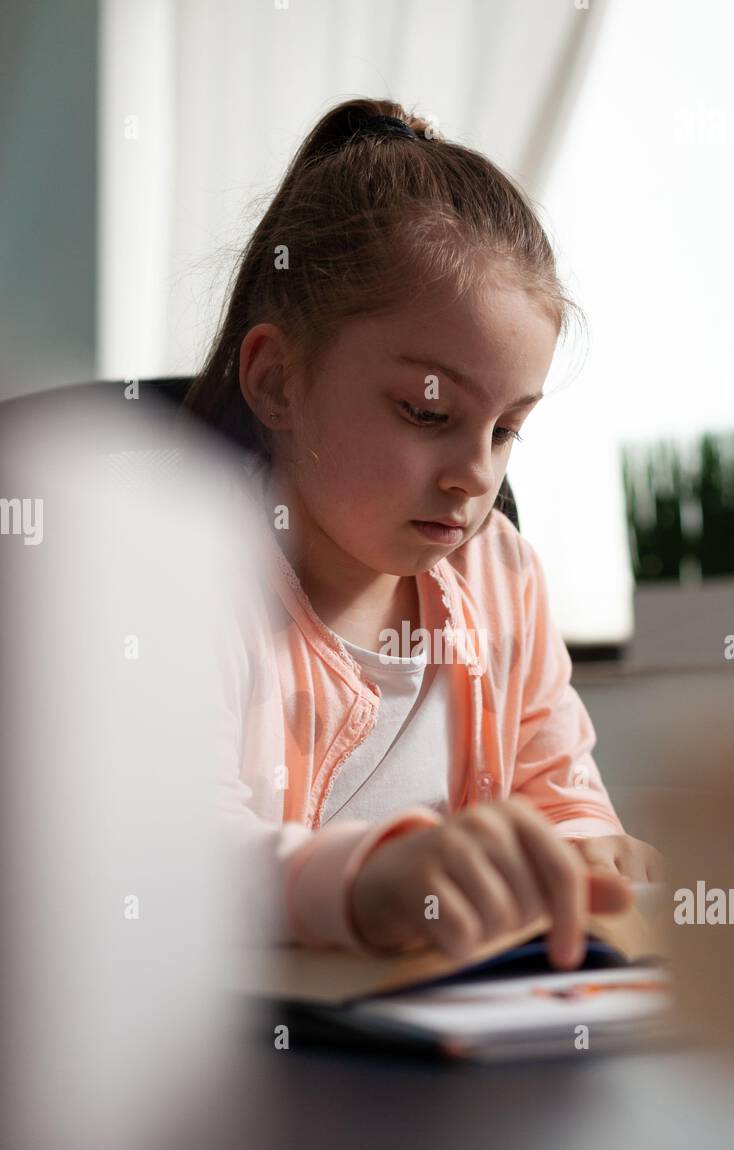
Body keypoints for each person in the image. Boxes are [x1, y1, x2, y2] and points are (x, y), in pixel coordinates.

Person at [185, 98, 664, 970]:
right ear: (277, 381)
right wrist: (369, 880)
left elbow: (558, 792)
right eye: (427, 411)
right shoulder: (181, 577)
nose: (477, 475)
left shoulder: (501, 576)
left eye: (507, 429)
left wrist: (587, 849)